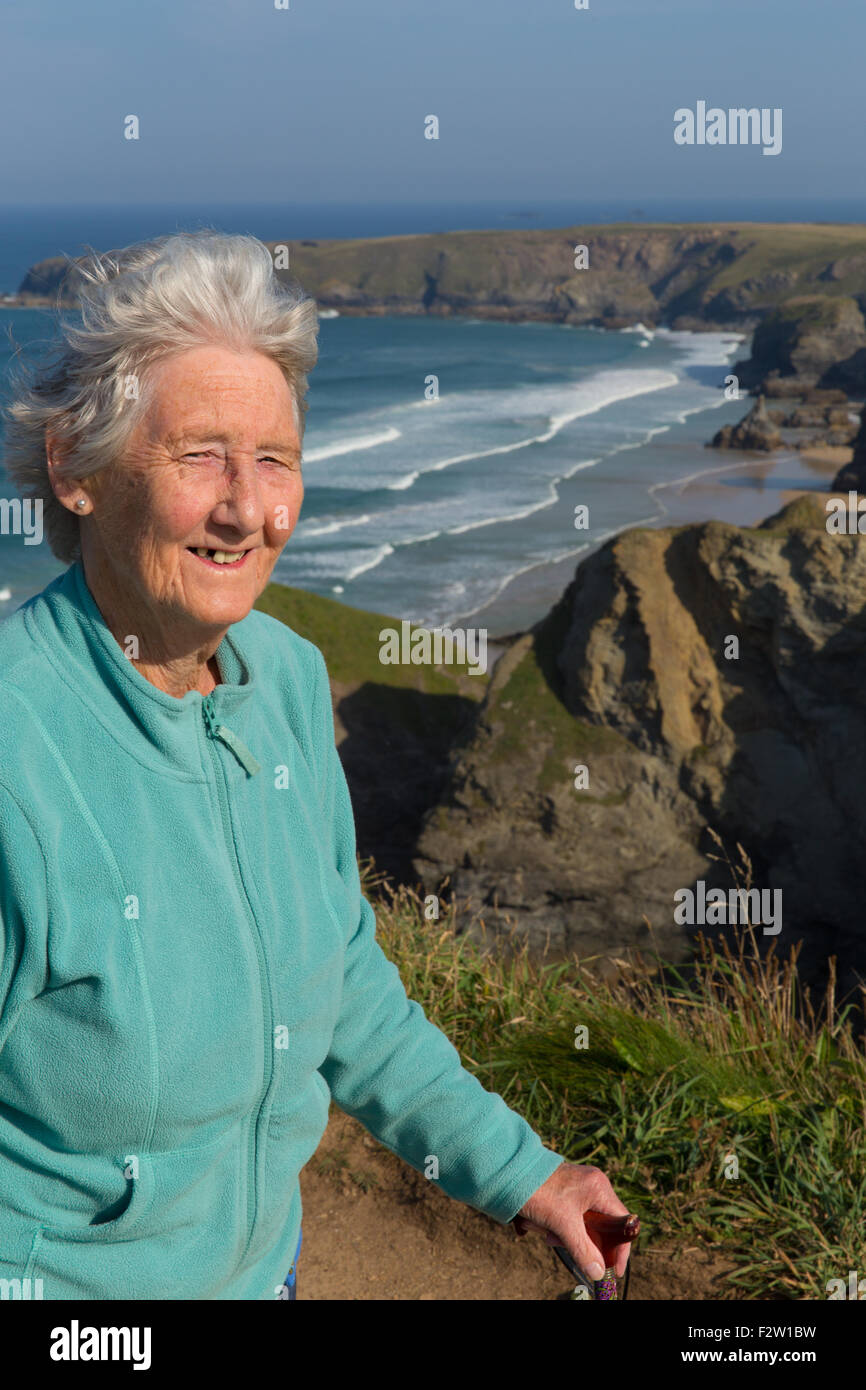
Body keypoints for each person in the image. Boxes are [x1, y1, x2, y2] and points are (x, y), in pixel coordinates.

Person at [0, 230, 630, 1299]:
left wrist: (524, 1173)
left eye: (275, 458)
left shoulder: (286, 681)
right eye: (200, 453)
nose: (249, 508)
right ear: (76, 467)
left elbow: (340, 982)